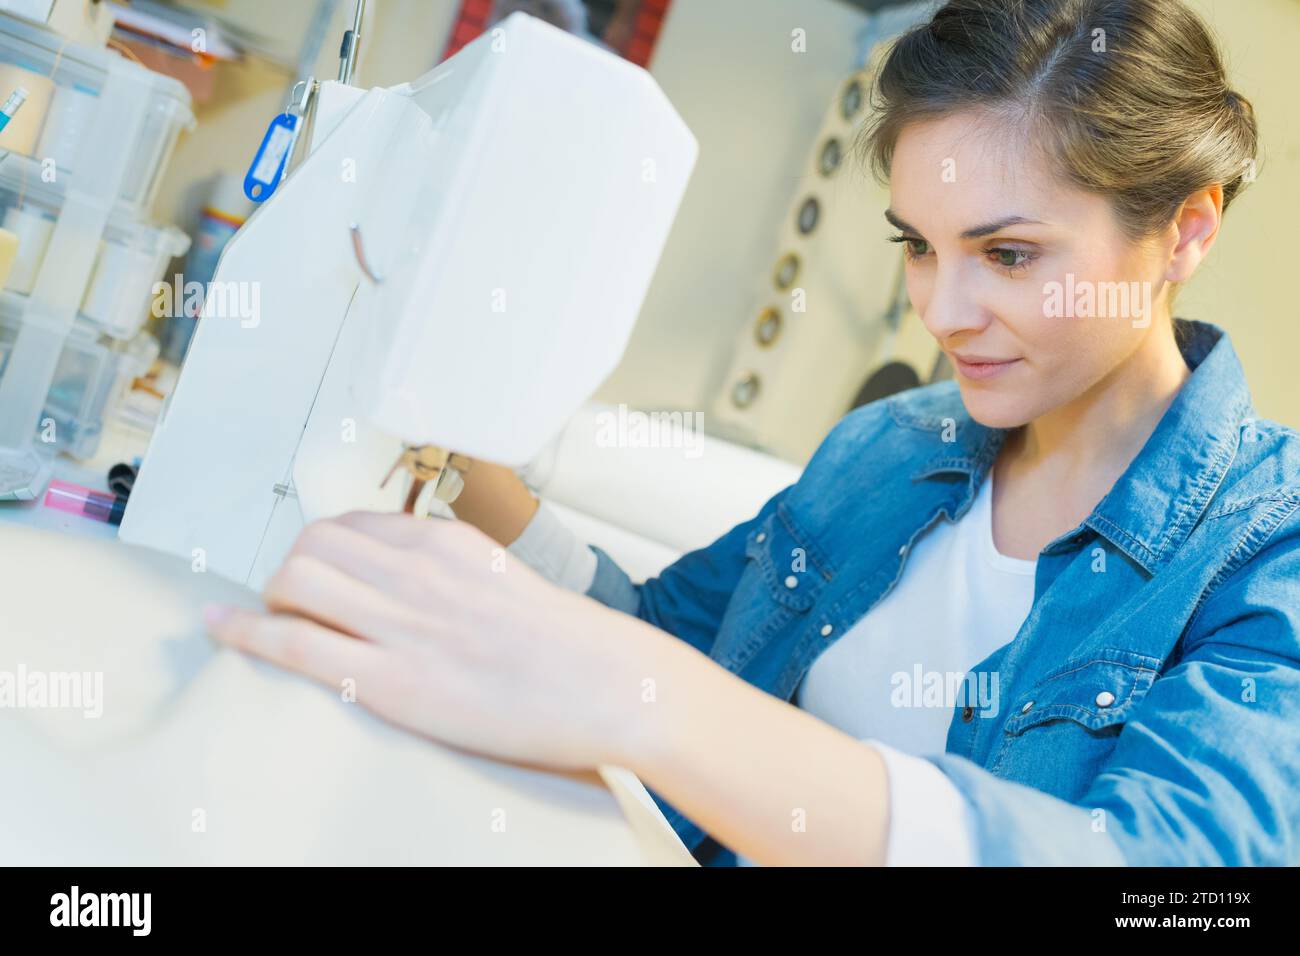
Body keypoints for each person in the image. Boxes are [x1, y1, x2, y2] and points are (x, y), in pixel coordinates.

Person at [203, 0, 1300, 866]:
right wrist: (444, 456)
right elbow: (664, 634)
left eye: (1008, 255)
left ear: (1183, 230)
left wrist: (650, 702)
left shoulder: (1268, 543)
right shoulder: (890, 446)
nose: (942, 308)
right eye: (917, 244)